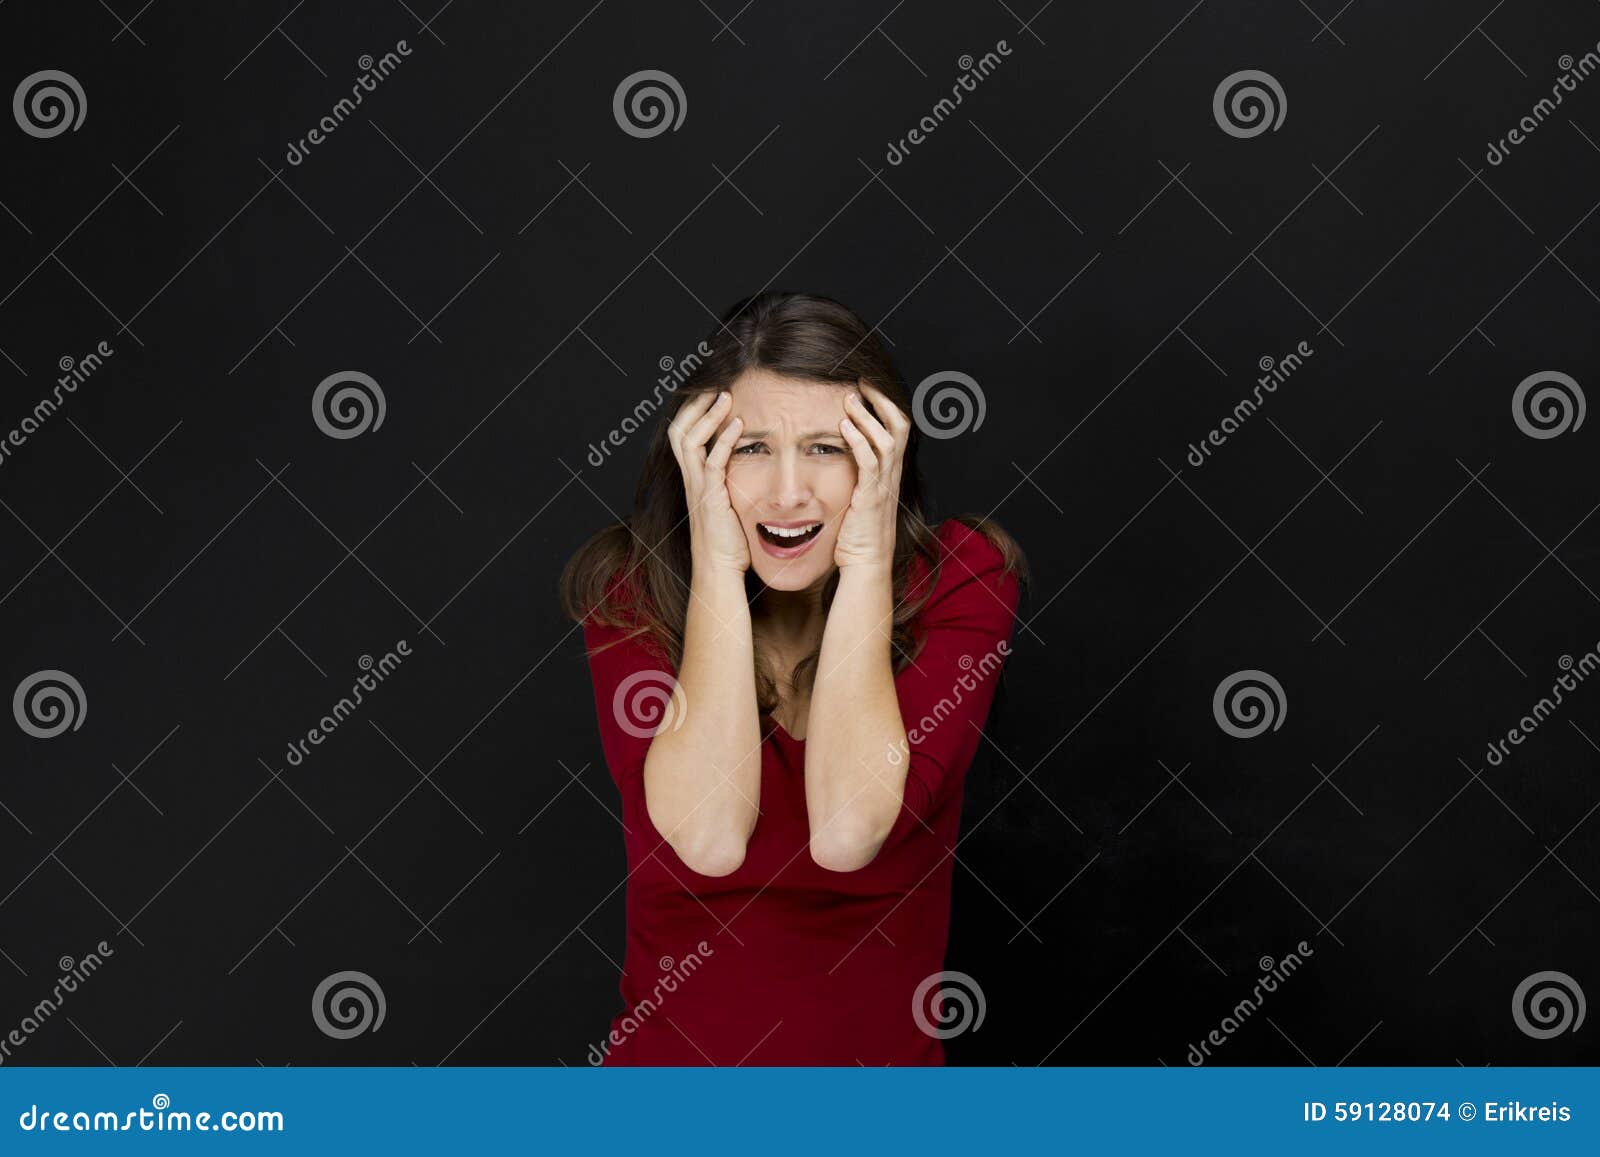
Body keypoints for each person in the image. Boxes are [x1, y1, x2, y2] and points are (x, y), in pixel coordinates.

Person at [560, 291, 1029, 1064]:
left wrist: (867, 560)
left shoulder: (963, 577)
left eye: (826, 448)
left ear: (882, 456)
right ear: (700, 460)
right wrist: (715, 558)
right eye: (749, 449)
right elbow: (709, 837)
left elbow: (849, 831)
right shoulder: (629, 588)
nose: (787, 494)